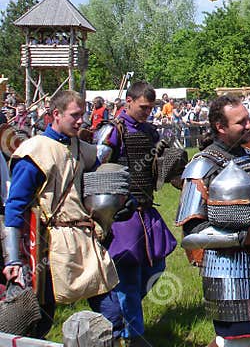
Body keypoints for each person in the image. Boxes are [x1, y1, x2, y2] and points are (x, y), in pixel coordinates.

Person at [177, 95, 250, 347]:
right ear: (220, 127)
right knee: (239, 341)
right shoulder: (201, 167)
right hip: (228, 271)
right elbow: (191, 234)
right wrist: (240, 238)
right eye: (240, 123)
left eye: (248, 119)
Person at [2, 90, 120, 338]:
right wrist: (13, 259)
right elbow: (15, 207)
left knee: (111, 314)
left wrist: (117, 202)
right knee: (39, 321)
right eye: (75, 116)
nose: (81, 121)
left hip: (85, 240)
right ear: (56, 114)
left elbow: (100, 180)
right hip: (49, 245)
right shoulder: (34, 152)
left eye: (83, 115)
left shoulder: (81, 148)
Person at [94, 82, 180, 345]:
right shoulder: (112, 131)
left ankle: (119, 318)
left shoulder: (150, 131)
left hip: (146, 208)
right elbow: (97, 170)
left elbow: (167, 167)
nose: (147, 112)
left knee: (157, 266)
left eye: (150, 108)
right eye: (143, 107)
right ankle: (134, 335)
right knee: (129, 278)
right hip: (121, 215)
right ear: (128, 101)